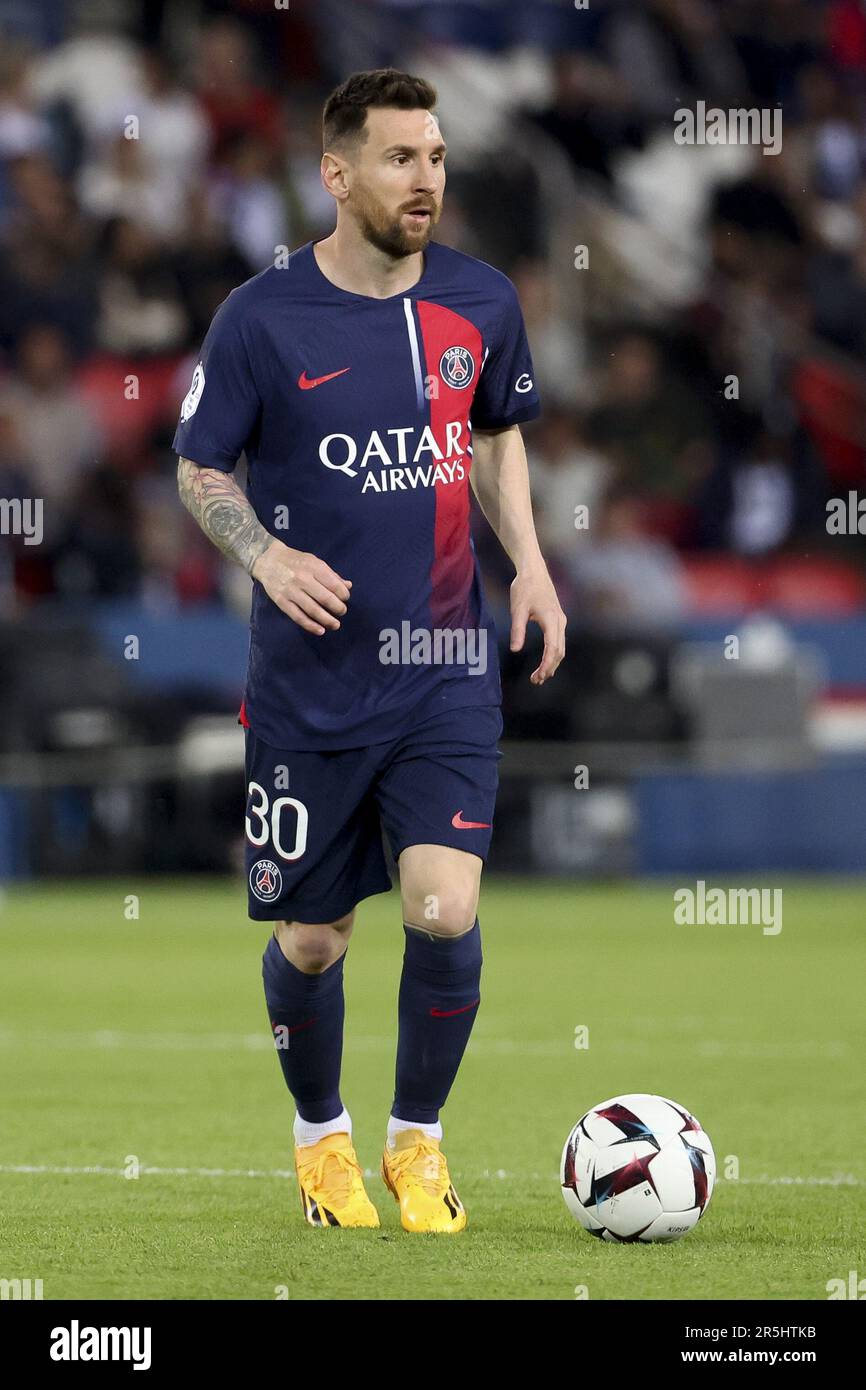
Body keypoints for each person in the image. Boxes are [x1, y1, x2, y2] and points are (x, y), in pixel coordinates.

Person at [174, 68, 565, 1234]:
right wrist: (265, 557)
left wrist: (533, 564)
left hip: (443, 666)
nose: (426, 180)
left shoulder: (482, 301)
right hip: (308, 689)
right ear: (336, 175)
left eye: (436, 157)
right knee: (313, 935)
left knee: (442, 908)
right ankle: (319, 1144)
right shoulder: (260, 316)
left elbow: (493, 439)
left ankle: (416, 1146)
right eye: (400, 159)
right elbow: (200, 466)